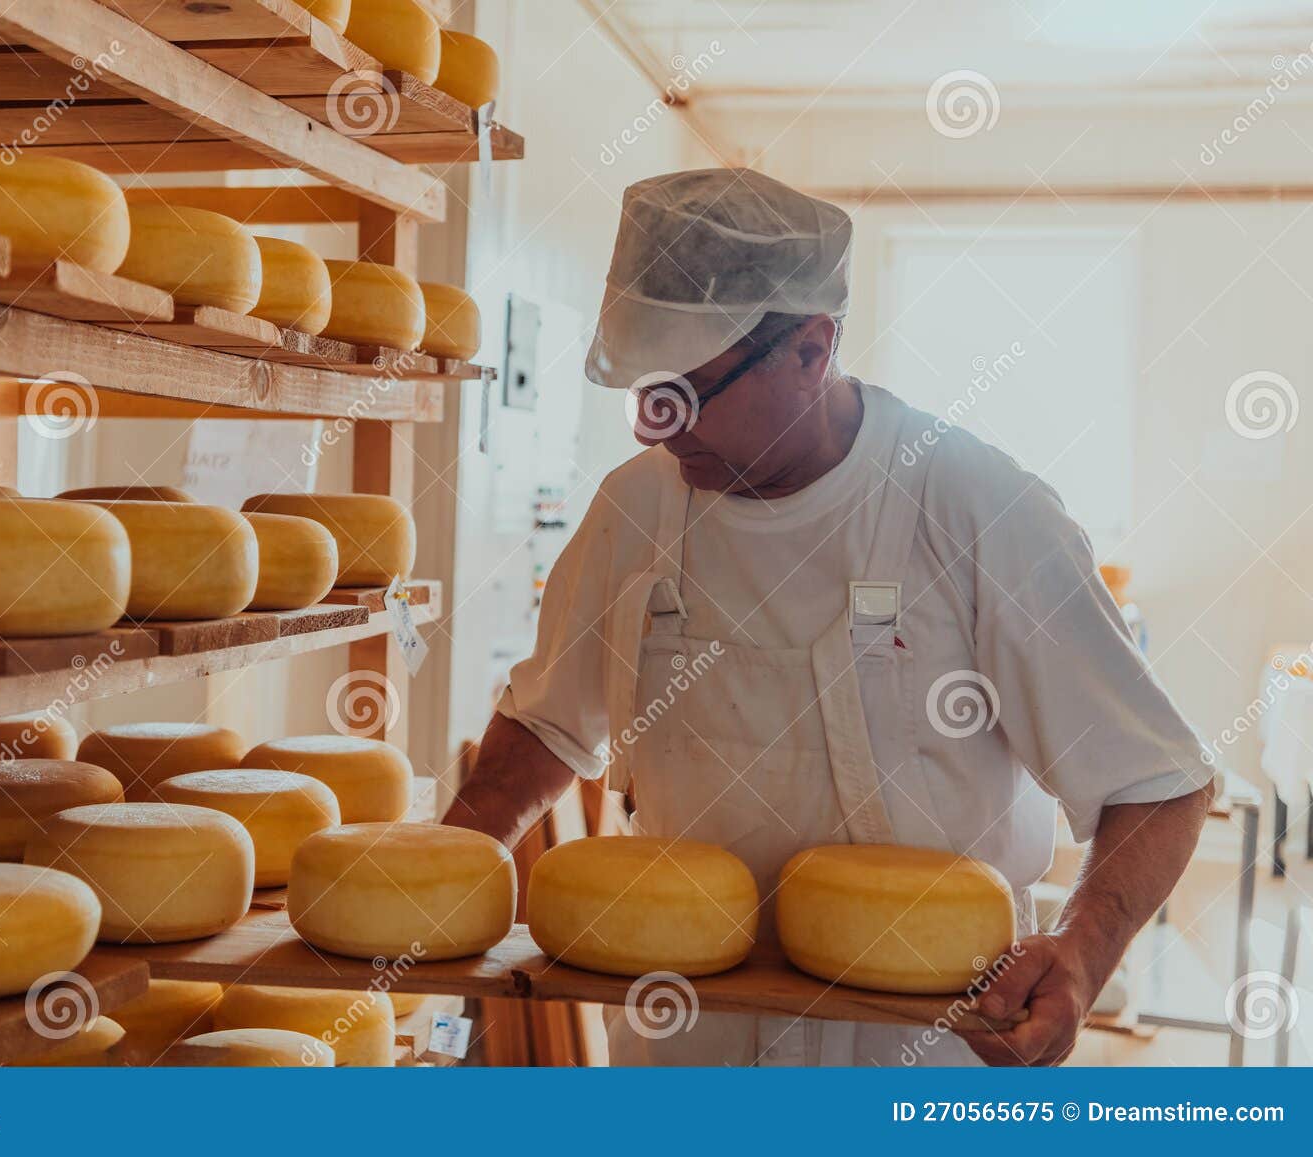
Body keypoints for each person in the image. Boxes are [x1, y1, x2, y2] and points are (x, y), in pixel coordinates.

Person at [442, 168, 1214, 1067]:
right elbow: (543, 728)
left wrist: (1079, 960)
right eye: (645, 392)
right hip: (687, 1051)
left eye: (689, 391)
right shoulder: (636, 511)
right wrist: (422, 899)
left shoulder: (973, 507)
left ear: (813, 347)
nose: (658, 427)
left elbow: (1160, 781)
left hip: (919, 1056)